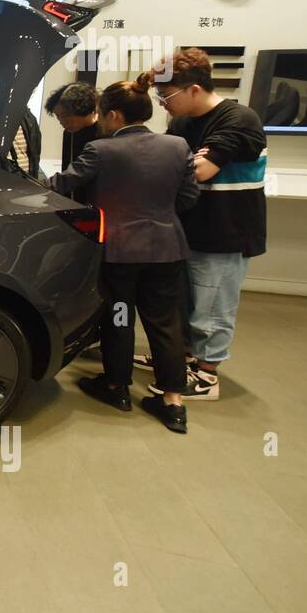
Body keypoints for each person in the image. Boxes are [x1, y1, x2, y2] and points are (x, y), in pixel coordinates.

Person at [51, 74, 199, 434]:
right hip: (167, 248)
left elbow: (61, 185)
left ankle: (116, 387)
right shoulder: (178, 146)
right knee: (166, 323)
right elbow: (189, 198)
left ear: (114, 116)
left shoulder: (100, 150)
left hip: (119, 251)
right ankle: (172, 403)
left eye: (102, 115)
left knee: (119, 317)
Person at [135, 48, 267, 402]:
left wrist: (179, 164)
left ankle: (207, 375)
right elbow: (185, 166)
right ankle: (180, 359)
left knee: (212, 307)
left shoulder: (239, 120)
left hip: (227, 231)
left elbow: (200, 170)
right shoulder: (181, 124)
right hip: (185, 228)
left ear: (194, 88)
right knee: (183, 302)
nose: (162, 103)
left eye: (166, 95)